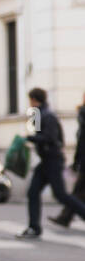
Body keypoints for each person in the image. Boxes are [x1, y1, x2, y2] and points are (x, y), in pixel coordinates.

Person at [17, 88, 85, 238]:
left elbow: (50, 138)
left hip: (53, 160)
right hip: (45, 161)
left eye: (30, 100)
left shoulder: (48, 116)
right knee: (33, 192)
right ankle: (34, 227)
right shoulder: (38, 114)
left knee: (61, 195)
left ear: (34, 99)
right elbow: (35, 132)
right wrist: (31, 126)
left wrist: (29, 139)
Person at [50, 91, 85, 228]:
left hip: (79, 161)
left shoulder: (39, 113)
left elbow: (82, 141)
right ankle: (65, 216)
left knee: (72, 193)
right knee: (78, 192)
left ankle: (65, 216)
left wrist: (77, 161)